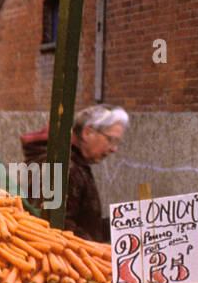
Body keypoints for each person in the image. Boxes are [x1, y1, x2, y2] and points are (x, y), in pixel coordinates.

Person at [20, 103, 129, 242]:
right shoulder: (64, 167)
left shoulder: (72, 163)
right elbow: (58, 227)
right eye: (111, 140)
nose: (114, 149)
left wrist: (124, 225)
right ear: (87, 132)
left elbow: (84, 223)